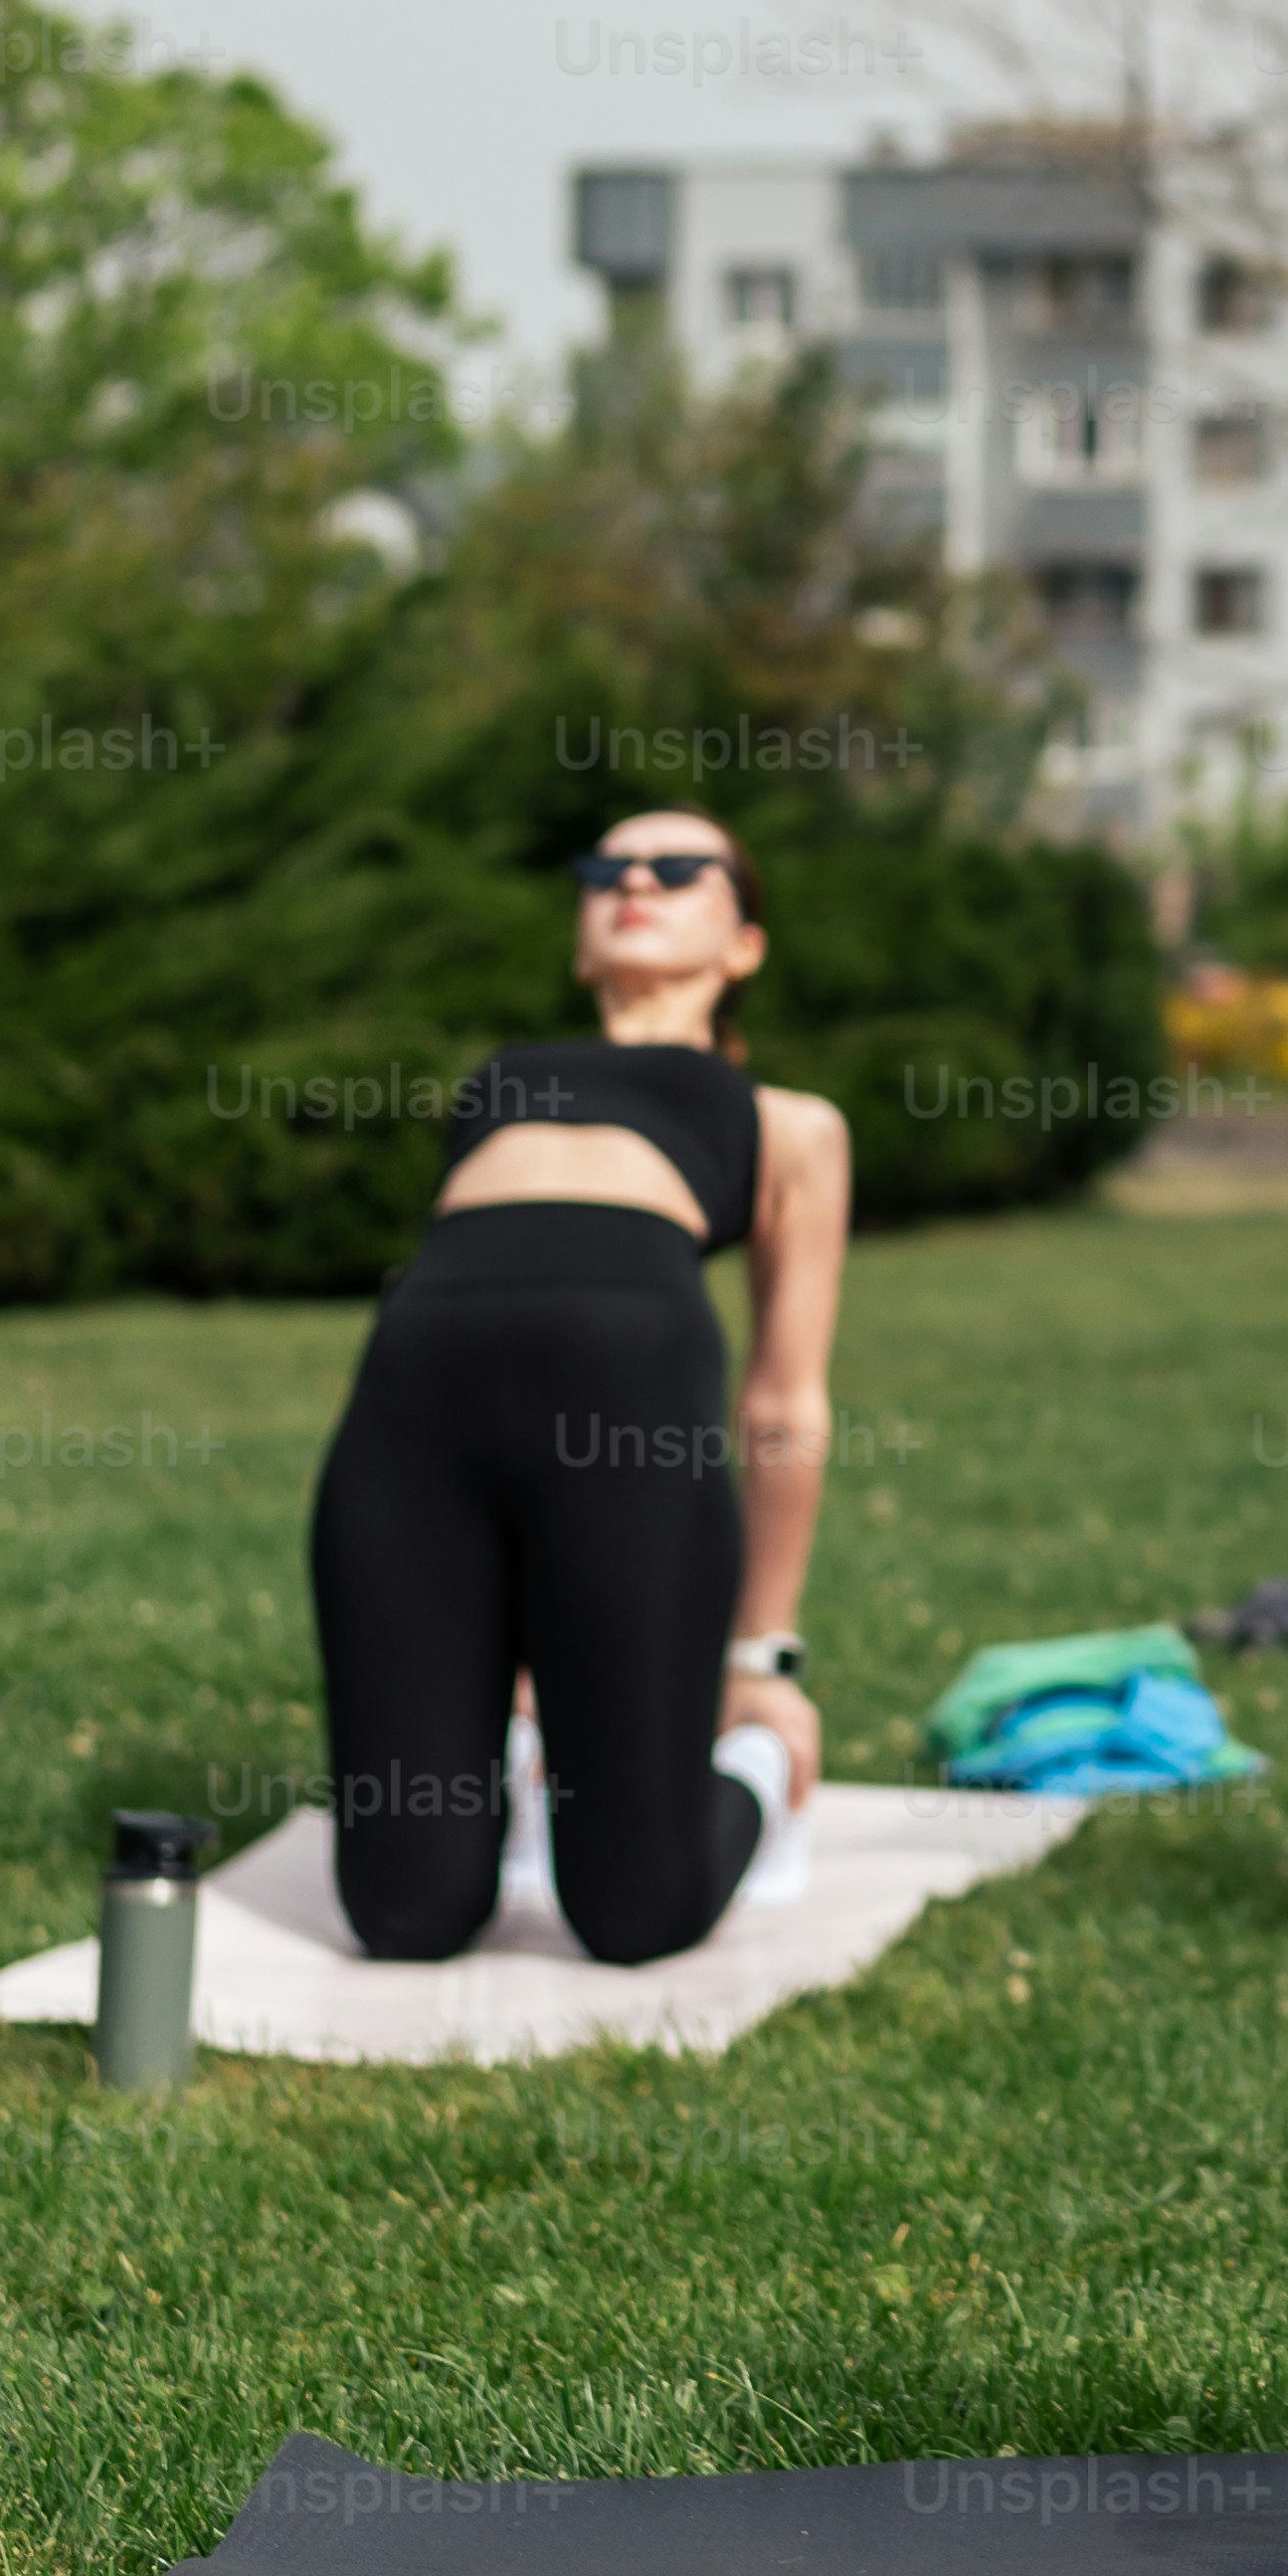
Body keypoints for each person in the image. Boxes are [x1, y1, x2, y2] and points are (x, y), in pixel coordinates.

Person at [307, 805, 850, 1968]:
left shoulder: (789, 1124)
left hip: (631, 1446)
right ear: (578, 939)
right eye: (606, 869)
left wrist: (762, 1662)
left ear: (744, 942)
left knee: (638, 1918)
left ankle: (756, 1775)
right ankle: (509, 1754)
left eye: (676, 868)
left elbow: (784, 1400)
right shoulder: (500, 1082)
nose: (634, 882)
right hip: (412, 1435)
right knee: (406, 1915)